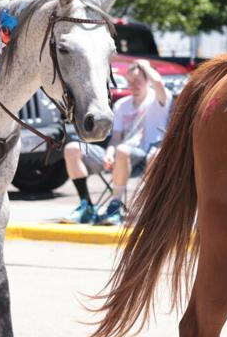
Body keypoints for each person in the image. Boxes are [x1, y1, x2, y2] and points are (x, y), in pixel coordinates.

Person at [63, 60, 169, 225]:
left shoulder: (158, 99)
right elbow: (116, 138)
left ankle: (115, 207)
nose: (133, 85)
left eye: (138, 81)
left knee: (122, 150)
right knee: (72, 149)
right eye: (130, 81)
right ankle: (86, 206)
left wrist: (145, 66)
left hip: (145, 156)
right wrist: (109, 154)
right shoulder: (121, 105)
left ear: (147, 80)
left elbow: (158, 82)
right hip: (119, 155)